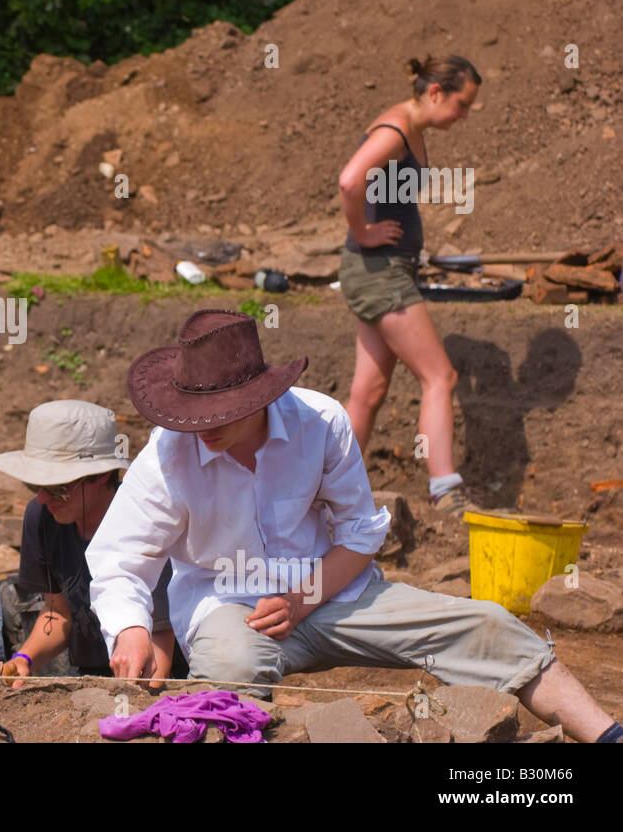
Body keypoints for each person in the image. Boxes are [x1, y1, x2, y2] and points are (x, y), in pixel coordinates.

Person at [87, 309, 623, 744]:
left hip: (333, 592)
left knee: (484, 623)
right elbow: (119, 558)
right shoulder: (168, 453)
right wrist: (130, 629)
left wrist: (303, 599)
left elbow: (360, 537)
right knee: (231, 668)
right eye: (193, 414)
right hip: (226, 604)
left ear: (258, 398)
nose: (202, 428)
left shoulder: (320, 423)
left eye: (218, 414)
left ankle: (606, 735)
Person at [337, 54, 480, 517]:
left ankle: (330, 490)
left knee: (369, 392)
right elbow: (350, 179)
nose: (465, 115)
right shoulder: (395, 131)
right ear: (435, 92)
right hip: (380, 273)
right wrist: (362, 232)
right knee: (441, 376)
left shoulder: (409, 130)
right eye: (462, 104)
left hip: (381, 269)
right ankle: (445, 488)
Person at [0, 400, 180, 689]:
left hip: (154, 677)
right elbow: (58, 613)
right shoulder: (41, 517)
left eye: (57, 488)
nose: (42, 497)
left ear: (101, 475)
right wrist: (25, 658)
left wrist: (128, 701)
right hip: (89, 676)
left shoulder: (145, 523)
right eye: (34, 485)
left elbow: (161, 643)